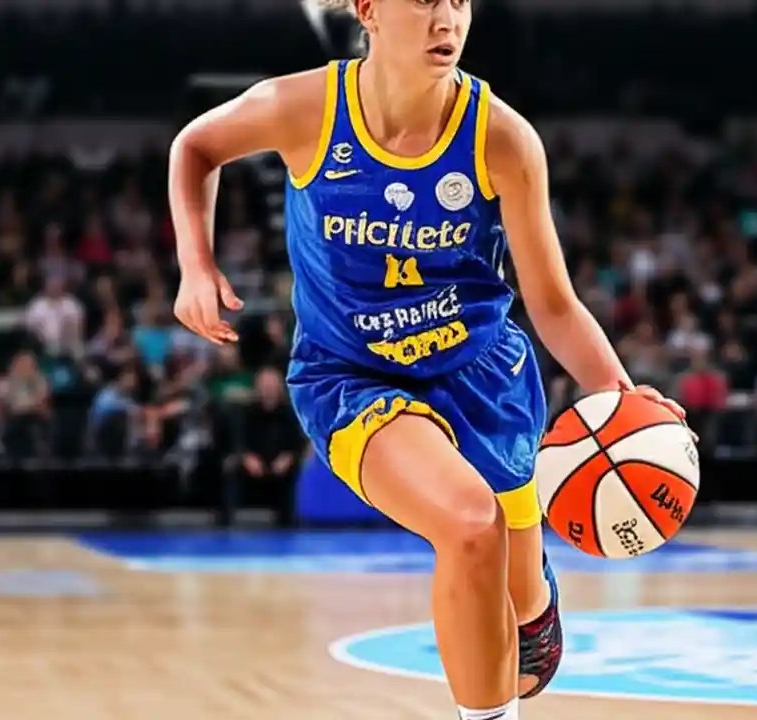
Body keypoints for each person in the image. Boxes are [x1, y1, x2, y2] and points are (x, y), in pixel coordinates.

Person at [167, 1, 689, 718]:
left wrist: (623, 400)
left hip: (481, 377)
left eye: (459, 1)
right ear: (369, 10)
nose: (446, 19)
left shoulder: (501, 138)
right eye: (424, 0)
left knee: (521, 626)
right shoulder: (305, 109)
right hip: (351, 377)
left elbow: (555, 305)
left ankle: (531, 595)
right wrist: (194, 264)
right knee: (470, 522)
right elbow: (195, 147)